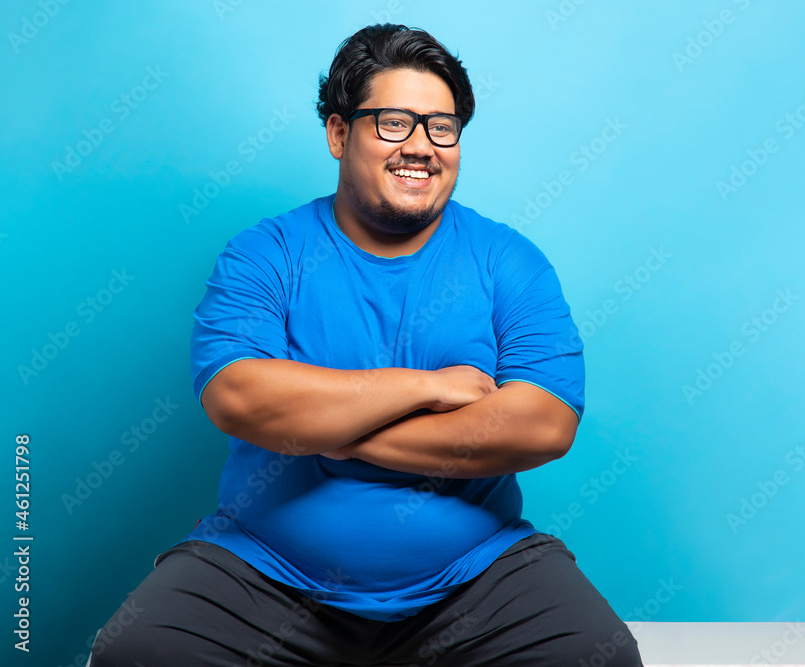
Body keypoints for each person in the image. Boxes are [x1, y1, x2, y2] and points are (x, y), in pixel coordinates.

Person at [90, 23, 643, 667]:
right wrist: (429, 387)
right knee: (135, 652)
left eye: (443, 126)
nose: (422, 146)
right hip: (265, 569)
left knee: (600, 658)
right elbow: (241, 397)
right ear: (337, 133)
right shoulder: (266, 255)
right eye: (394, 122)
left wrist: (328, 430)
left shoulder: (508, 261)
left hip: (476, 575)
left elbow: (542, 424)